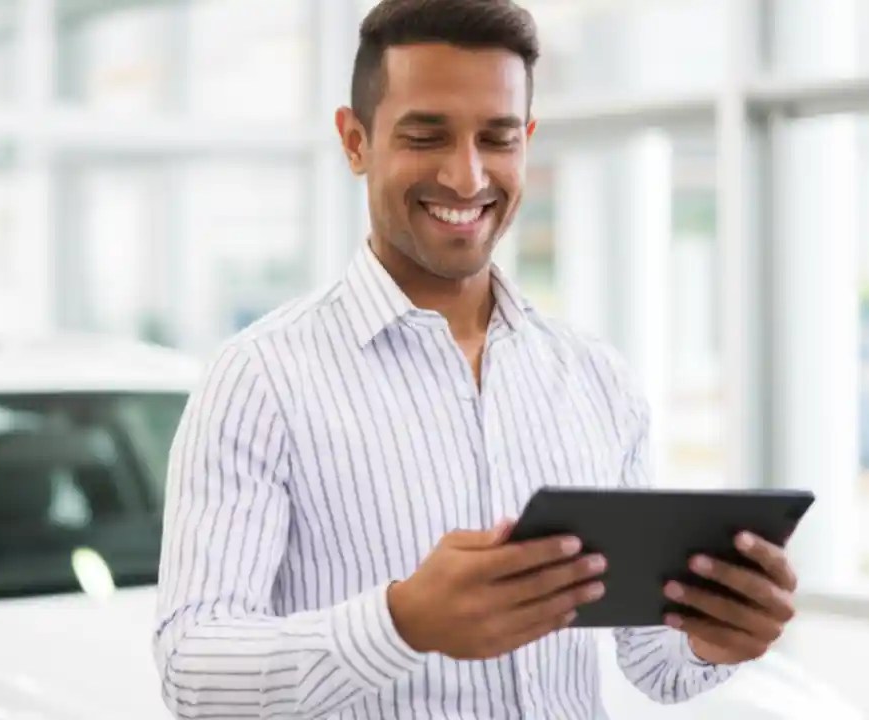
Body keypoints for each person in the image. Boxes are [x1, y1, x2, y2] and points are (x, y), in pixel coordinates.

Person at [153, 1, 800, 717]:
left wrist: (720, 634)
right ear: (355, 140)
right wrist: (398, 623)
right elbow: (193, 672)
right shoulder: (261, 379)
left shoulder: (596, 379)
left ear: (526, 139)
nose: (466, 178)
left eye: (496, 139)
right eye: (426, 136)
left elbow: (651, 661)